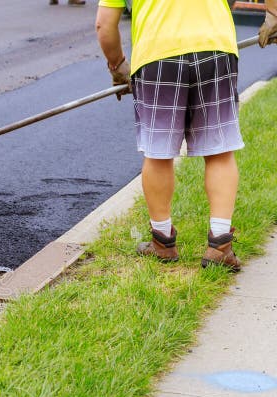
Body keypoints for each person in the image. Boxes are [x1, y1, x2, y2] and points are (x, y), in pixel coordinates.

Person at [96, 0, 243, 271]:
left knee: (158, 152)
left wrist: (118, 66)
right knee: (219, 150)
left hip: (157, 54)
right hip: (214, 47)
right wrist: (272, 14)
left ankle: (162, 242)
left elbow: (104, 24)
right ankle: (220, 245)